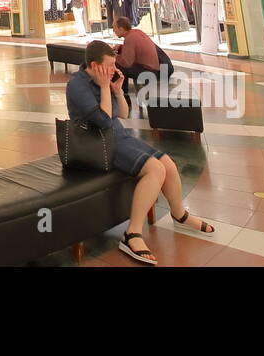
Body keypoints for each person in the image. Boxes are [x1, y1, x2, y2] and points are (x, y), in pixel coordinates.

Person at [66, 40, 214, 265]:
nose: (114, 70)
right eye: (109, 66)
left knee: (168, 164)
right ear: (95, 65)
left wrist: (116, 91)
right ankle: (132, 233)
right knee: (154, 170)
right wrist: (105, 87)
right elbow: (105, 121)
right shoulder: (78, 86)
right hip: (98, 144)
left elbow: (123, 113)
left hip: (118, 137)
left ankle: (179, 214)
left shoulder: (103, 80)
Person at [112, 16, 171, 86]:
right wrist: (121, 47)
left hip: (149, 72)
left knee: (116, 65)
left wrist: (113, 56)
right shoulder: (138, 32)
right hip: (156, 69)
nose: (114, 31)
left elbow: (126, 63)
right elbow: (136, 49)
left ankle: (122, 92)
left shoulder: (129, 38)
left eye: (114, 28)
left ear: (121, 29)